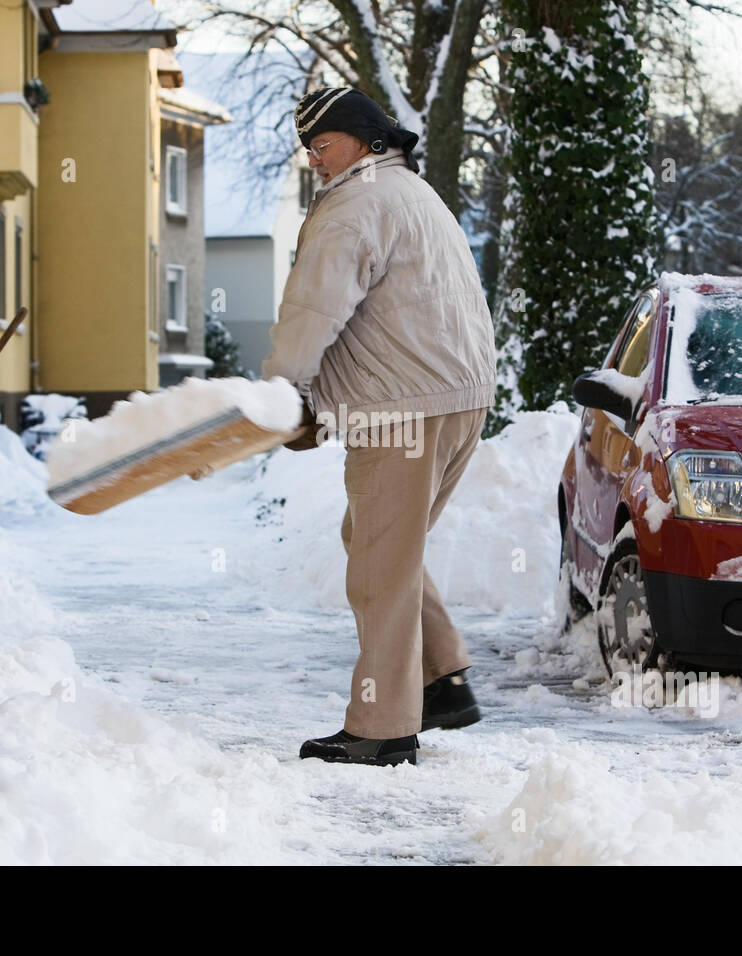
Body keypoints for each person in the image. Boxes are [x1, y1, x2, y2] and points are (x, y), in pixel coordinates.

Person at [261, 87, 498, 766]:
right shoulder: (413, 193)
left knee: (378, 569)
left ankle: (382, 728)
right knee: (377, 547)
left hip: (405, 409)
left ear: (362, 138)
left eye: (322, 143)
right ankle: (442, 679)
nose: (313, 158)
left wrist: (283, 391)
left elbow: (313, 310)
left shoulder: (354, 204)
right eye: (307, 147)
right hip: (456, 398)